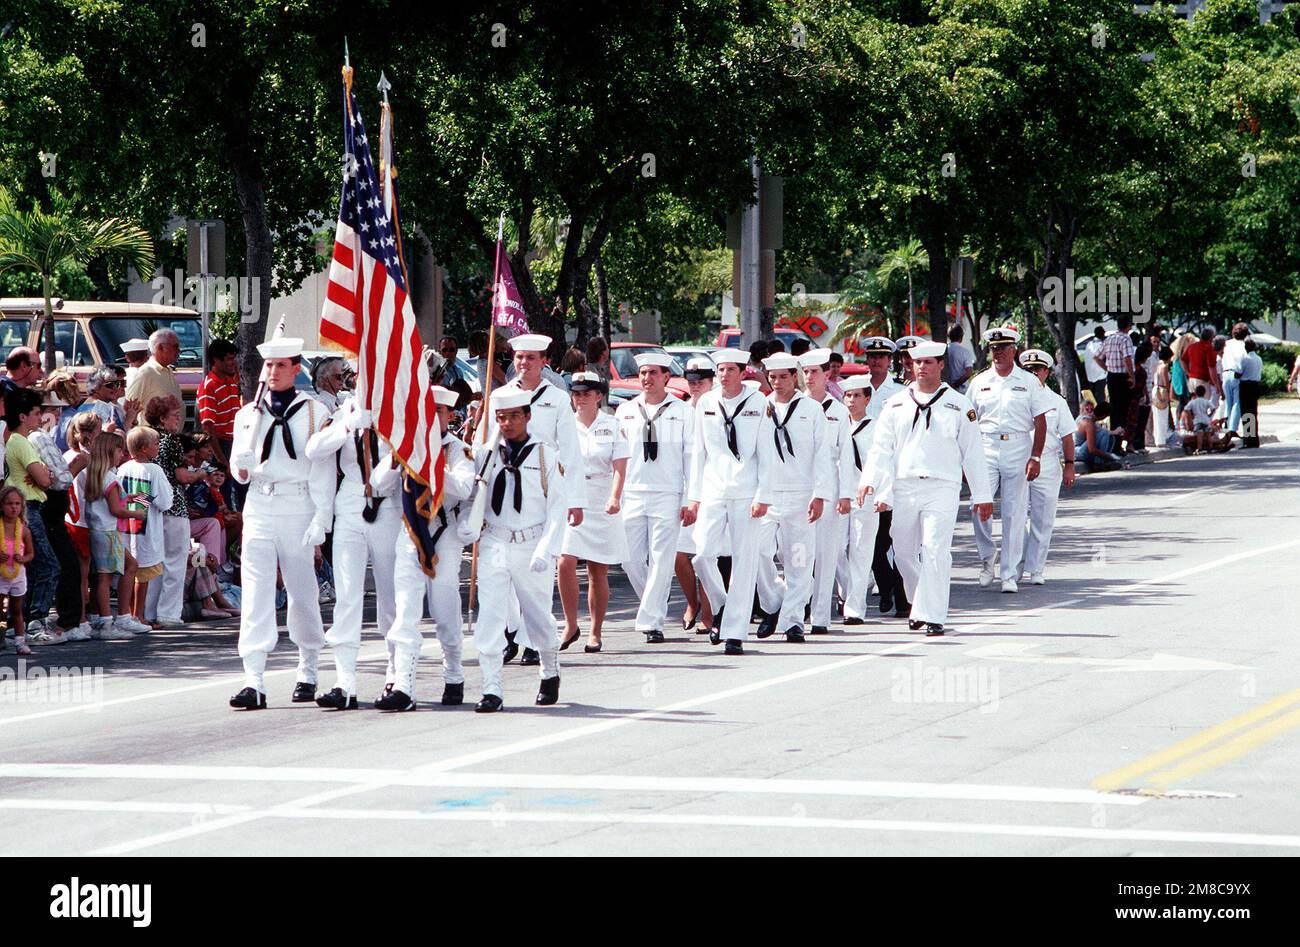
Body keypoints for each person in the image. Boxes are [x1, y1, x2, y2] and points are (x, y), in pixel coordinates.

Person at [227, 336, 335, 710]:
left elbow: (322, 470)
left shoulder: (314, 412)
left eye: (280, 365)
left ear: (296, 368)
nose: (272, 372)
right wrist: (240, 463)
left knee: (301, 589)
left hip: (298, 503)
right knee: (255, 591)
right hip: (259, 502)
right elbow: (239, 474)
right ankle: (253, 678)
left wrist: (323, 516)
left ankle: (308, 666)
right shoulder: (248, 413)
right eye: (267, 366)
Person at [858, 341, 993, 635]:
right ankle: (919, 601)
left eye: (928, 362)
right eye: (916, 362)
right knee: (904, 552)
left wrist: (982, 495)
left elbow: (972, 452)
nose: (921, 367)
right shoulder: (896, 403)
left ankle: (933, 615)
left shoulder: (958, 404)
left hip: (942, 486)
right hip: (904, 486)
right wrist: (869, 481)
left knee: (935, 550)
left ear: (941, 365)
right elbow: (881, 448)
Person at [370, 386, 477, 710]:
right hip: (410, 532)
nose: (432, 418)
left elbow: (463, 486)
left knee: (444, 608)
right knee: (405, 610)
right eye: (426, 412)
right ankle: (403, 684)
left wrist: (432, 465)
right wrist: (399, 455)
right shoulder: (405, 448)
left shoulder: (458, 450)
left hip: (444, 532)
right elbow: (378, 483)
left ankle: (454, 672)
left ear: (449, 416)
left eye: (439, 413)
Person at [466, 387, 567, 712]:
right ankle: (492, 687)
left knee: (537, 616)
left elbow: (557, 507)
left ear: (527, 417)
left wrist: (547, 548)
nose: (507, 423)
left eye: (513, 417)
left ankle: (549, 667)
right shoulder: (487, 454)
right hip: (495, 541)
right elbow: (473, 495)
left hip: (531, 543)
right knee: (491, 616)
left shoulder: (544, 454)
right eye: (501, 417)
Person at [303, 394, 400, 710]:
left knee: (391, 595)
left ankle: (397, 672)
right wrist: (346, 426)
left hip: (388, 505)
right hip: (349, 506)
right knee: (347, 596)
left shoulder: (398, 407)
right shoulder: (344, 412)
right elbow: (314, 450)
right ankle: (345, 681)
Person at [687, 348, 774, 655]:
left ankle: (735, 632)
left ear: (742, 372)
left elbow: (766, 453)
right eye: (720, 370)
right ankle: (723, 606)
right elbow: (698, 452)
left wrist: (763, 496)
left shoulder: (758, 402)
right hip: (713, 488)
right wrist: (693, 497)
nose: (724, 375)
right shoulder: (706, 403)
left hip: (746, 490)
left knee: (744, 560)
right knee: (702, 555)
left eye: (729, 370)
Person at [616, 353, 694, 646]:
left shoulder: (683, 411)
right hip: (633, 493)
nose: (646, 379)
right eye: (643, 373)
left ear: (665, 377)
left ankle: (650, 621)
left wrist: (689, 497)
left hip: (668, 493)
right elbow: (619, 457)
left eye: (653, 373)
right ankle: (655, 609)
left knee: (662, 559)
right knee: (630, 559)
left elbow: (691, 457)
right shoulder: (624, 410)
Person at [751, 352, 829, 642]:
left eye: (784, 376)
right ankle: (773, 604)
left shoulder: (811, 409)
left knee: (798, 560)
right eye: (772, 377)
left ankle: (793, 620)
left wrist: (820, 494)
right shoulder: (760, 407)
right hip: (767, 495)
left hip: (801, 494)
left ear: (794, 377)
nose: (778, 382)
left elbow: (823, 455)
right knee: (758, 552)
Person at [969, 326, 1049, 594]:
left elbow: (1040, 421)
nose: (998, 353)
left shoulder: (1028, 381)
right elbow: (968, 422)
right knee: (978, 505)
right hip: (986, 446)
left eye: (1003, 348)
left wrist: (1035, 456)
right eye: (993, 349)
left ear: (1014, 350)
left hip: (1017, 446)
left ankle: (1009, 573)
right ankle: (987, 556)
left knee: (1014, 512)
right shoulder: (979, 382)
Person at [559, 372, 628, 651]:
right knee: (564, 560)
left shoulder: (612, 425)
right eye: (576, 393)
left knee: (597, 571)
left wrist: (614, 497)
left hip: (601, 497)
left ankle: (595, 631)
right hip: (572, 496)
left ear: (598, 396)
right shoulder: (564, 425)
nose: (580, 399)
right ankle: (570, 623)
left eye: (586, 394)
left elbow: (620, 467)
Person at [799, 349, 855, 635]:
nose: (809, 377)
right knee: (795, 555)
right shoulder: (792, 406)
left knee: (826, 554)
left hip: (830, 489)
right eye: (805, 372)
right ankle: (797, 604)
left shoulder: (838, 411)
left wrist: (846, 493)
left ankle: (820, 615)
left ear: (827, 374)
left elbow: (845, 455)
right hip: (798, 487)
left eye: (815, 372)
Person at [31, 397, 90, 640]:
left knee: (62, 565)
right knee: (58, 565)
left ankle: (69, 621)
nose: (56, 413)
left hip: (53, 507)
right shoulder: (38, 438)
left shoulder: (40, 437)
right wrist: (75, 467)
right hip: (49, 507)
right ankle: (60, 622)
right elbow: (60, 479)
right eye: (51, 409)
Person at [1017, 349, 1077, 584]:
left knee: (1043, 518)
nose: (1033, 373)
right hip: (1020, 460)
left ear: (1046, 373)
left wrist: (1070, 465)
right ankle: (1016, 565)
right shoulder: (1016, 396)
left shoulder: (1056, 402)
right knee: (1016, 517)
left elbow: (1067, 437)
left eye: (1038, 369)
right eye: (1029, 370)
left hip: (1048, 462)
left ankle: (1037, 568)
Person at [5, 387, 60, 643]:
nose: (41, 417)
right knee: (48, 565)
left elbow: (46, 475)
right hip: (29, 508)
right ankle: (36, 622)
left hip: (31, 506)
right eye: (37, 413)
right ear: (23, 416)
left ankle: (22, 622)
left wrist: (44, 475)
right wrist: (44, 476)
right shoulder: (21, 442)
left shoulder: (18, 442)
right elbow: (44, 478)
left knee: (35, 566)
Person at [141, 396, 200, 629]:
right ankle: (169, 613)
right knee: (175, 561)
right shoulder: (172, 441)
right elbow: (181, 475)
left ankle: (150, 611)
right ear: (163, 418)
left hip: (154, 508)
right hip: (174, 506)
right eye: (175, 415)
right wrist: (199, 475)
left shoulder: (149, 440)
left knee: (156, 562)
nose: (179, 419)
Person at [859, 337, 907, 617]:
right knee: (873, 542)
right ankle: (886, 583)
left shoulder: (899, 392)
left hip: (892, 472)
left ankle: (902, 600)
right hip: (863, 472)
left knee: (896, 537)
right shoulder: (856, 389)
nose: (876, 361)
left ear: (890, 360)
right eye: (872, 356)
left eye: (881, 356)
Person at [84, 430, 146, 639]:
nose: (123, 454)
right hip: (108, 531)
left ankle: (120, 617)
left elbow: (106, 503)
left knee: (129, 566)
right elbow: (115, 511)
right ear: (111, 451)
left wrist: (127, 497)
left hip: (99, 530)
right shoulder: (110, 477)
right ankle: (107, 622)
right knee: (105, 577)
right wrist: (137, 513)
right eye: (120, 450)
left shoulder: (97, 474)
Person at [673, 356, 715, 632]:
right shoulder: (681, 411)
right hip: (685, 490)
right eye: (691, 381)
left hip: (713, 491)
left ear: (712, 381)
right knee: (678, 554)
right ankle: (692, 601)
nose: (696, 385)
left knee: (706, 555)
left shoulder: (719, 409)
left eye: (701, 381)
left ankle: (709, 613)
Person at [118, 426, 174, 627]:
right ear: (143, 448)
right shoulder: (154, 470)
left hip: (126, 526)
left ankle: (128, 614)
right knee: (143, 574)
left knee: (130, 572)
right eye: (155, 443)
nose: (158, 447)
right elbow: (165, 501)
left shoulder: (123, 468)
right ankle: (138, 615)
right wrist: (146, 498)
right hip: (147, 527)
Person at [838, 376, 878, 624]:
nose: (851, 401)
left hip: (866, 496)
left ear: (867, 399)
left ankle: (855, 607)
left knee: (861, 551)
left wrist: (882, 494)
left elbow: (882, 463)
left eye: (857, 396)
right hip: (841, 495)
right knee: (836, 550)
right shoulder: (837, 424)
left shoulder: (876, 427)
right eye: (847, 396)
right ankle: (848, 590)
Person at [196, 338, 242, 478]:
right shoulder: (208, 387)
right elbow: (209, 429)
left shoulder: (231, 381)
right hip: (221, 446)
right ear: (216, 360)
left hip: (235, 441)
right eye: (229, 359)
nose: (233, 362)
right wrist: (223, 462)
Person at [0, 486, 36, 655]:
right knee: (1, 608)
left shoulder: (24, 530)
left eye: (17, 504)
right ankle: (1, 638)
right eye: (9, 504)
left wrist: (23, 559)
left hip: (17, 574)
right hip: (1, 574)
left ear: (22, 507)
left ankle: (20, 641)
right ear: (1, 505)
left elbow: (30, 553)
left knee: (16, 608)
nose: (13, 507)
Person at [1096, 316, 1136, 452]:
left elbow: (1097, 356)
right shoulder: (1126, 339)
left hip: (1112, 376)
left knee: (1114, 410)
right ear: (1128, 325)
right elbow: (1127, 358)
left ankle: (1113, 444)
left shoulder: (1109, 338)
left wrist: (1108, 368)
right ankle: (1118, 445)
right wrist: (1132, 376)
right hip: (1123, 377)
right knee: (1123, 411)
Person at [125, 329, 184, 414]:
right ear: (160, 347)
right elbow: (129, 408)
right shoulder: (145, 373)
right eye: (175, 347)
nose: (179, 350)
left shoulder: (168, 371)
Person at [78, 366, 133, 432]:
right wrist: (129, 419)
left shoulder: (106, 405)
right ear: (96, 387)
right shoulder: (94, 409)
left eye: (116, 384)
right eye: (110, 385)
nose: (115, 388)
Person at [1074, 402, 1123, 472]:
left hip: (1082, 449)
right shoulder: (1088, 422)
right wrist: (1109, 456)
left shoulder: (1093, 422)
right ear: (1104, 416)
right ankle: (1098, 463)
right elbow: (1092, 449)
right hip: (1077, 452)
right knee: (1104, 433)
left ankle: (1101, 461)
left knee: (1109, 436)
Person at [1180, 327, 1220, 413]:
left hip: (1192, 379)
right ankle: (1200, 424)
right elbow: (1211, 368)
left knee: (1193, 403)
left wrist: (1188, 372)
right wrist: (1216, 384)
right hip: (1202, 380)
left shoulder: (1192, 346)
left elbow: (1182, 359)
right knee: (1202, 406)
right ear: (1211, 337)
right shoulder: (1209, 348)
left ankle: (1189, 423)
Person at [1221, 323, 1248, 434]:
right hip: (1237, 374)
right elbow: (1244, 360)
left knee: (1229, 402)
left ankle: (1227, 424)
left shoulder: (1227, 344)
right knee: (1237, 403)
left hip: (1225, 373)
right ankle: (1232, 428)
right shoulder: (1244, 345)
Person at [1239, 338, 1263, 448]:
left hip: (1246, 386)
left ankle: (1248, 440)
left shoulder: (1245, 359)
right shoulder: (1259, 359)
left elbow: (1238, 373)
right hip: (1255, 385)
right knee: (1253, 412)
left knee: (1246, 413)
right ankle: (1254, 440)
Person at [1128, 341, 1152, 452]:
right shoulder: (1138, 370)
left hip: (1137, 397)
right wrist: (1146, 395)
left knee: (1137, 421)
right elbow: (1142, 384)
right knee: (1136, 422)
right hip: (1136, 398)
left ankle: (1138, 444)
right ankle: (1134, 444)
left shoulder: (1136, 368)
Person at [1180, 385, 1216, 453]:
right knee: (1208, 434)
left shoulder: (1193, 402)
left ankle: (1199, 448)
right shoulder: (1206, 401)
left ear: (1196, 393)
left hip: (1198, 420)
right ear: (1204, 393)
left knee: (1200, 434)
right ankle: (1211, 447)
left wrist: (1190, 414)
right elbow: (1213, 408)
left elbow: (1186, 408)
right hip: (1206, 419)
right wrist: (1209, 415)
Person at [1152, 346, 1174, 448]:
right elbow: (1166, 383)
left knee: (1157, 417)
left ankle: (1158, 439)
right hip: (1162, 391)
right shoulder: (1164, 367)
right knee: (1162, 417)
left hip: (1155, 390)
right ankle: (1161, 440)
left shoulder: (1157, 365)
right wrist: (1169, 394)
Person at [943, 324, 975, 393]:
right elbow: (969, 372)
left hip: (945, 389)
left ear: (948, 336)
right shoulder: (965, 352)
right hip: (962, 390)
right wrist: (955, 385)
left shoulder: (944, 350)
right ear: (962, 336)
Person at [1083, 326, 1108, 406]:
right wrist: (1107, 369)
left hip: (1090, 376)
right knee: (1101, 399)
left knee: (1093, 400)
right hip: (1100, 375)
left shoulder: (1089, 345)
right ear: (1102, 333)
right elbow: (1102, 359)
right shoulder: (1102, 345)